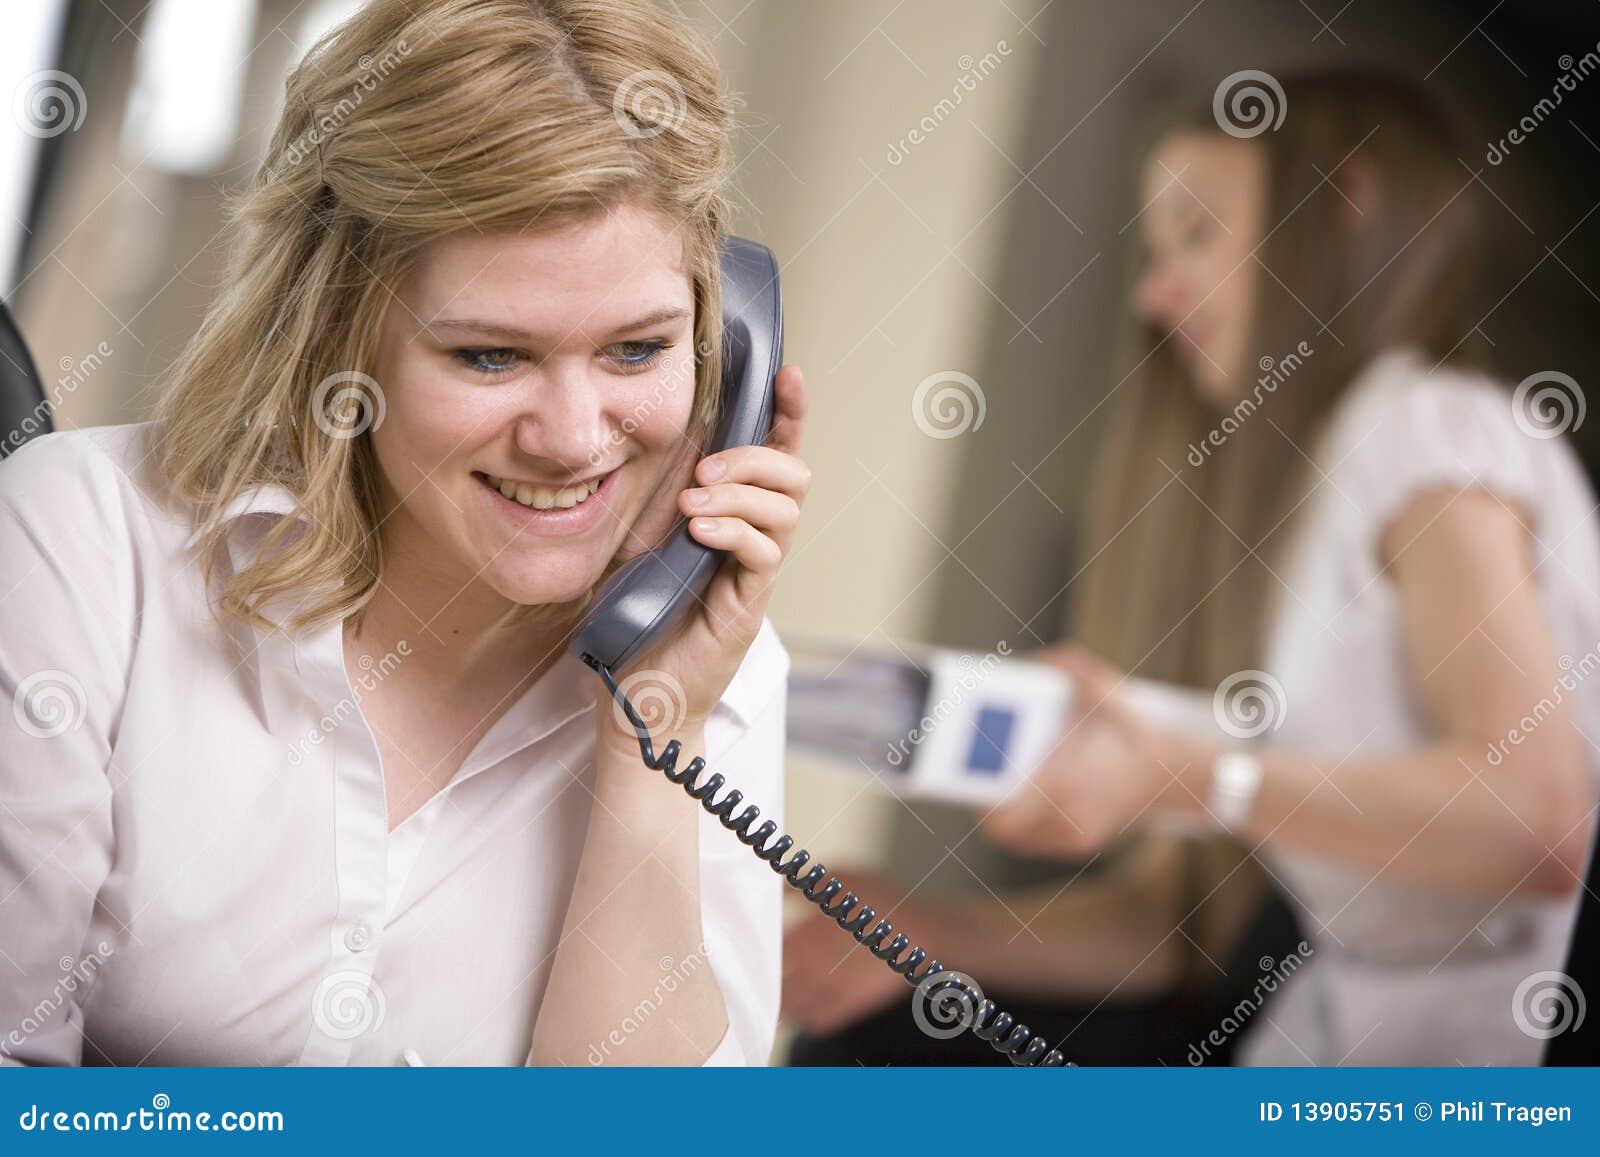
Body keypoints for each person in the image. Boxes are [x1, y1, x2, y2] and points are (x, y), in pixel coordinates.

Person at [0, 0, 810, 1067]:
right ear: (336, 334)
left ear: (723, 343)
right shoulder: (85, 535)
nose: (573, 439)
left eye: (636, 350)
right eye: (490, 356)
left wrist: (652, 733)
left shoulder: (713, 672)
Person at [787, 71, 1600, 1066]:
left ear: (1343, 204)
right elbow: (1181, 927)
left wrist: (1191, 774)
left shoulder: (1426, 427)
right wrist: (925, 931)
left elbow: (1537, 821)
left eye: (1196, 235)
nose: (1153, 293)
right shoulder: (1325, 483)